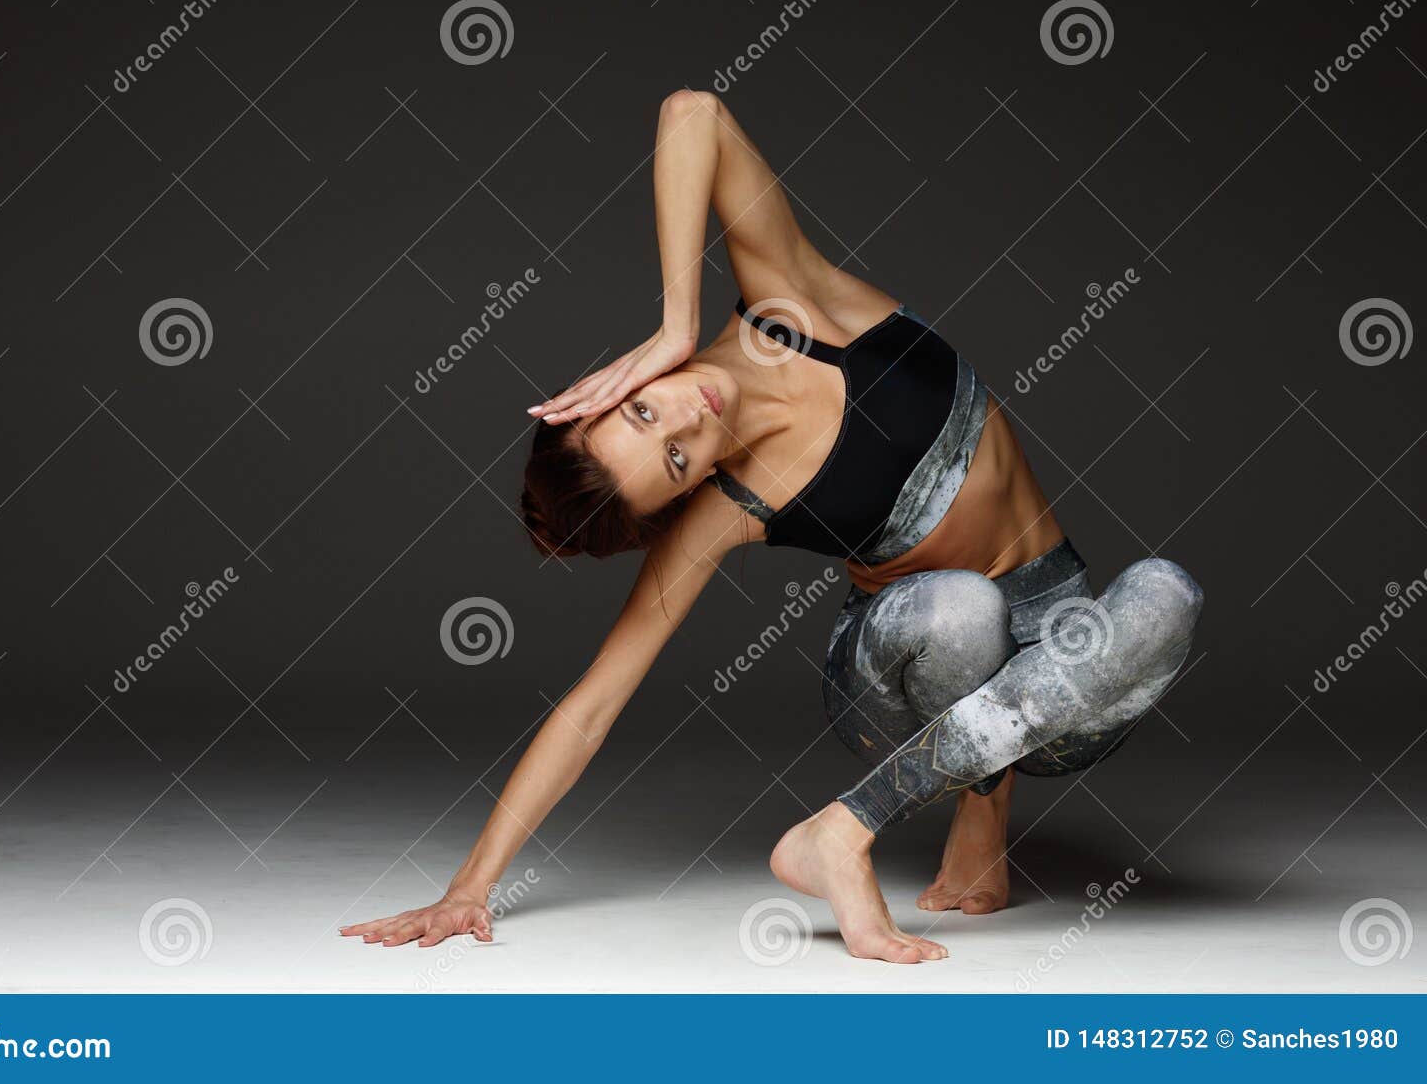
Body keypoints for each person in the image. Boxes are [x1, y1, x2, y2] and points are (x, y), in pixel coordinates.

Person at [341, 91, 1203, 963]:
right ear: (692, 490)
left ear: (621, 379)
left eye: (644, 412)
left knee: (1167, 594)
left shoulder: (788, 303)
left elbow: (692, 112)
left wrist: (676, 318)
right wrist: (469, 886)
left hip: (1052, 640)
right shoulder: (731, 505)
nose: (687, 418)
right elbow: (593, 704)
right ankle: (856, 832)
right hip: (900, 663)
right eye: (677, 459)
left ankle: (933, 814)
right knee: (960, 608)